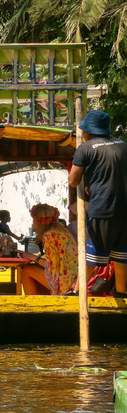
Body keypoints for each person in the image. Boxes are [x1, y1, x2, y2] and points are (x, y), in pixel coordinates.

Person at [71, 109, 127, 297]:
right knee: (121, 254)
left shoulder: (85, 149)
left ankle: (78, 291)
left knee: (91, 255)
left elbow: (73, 181)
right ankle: (121, 292)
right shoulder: (123, 145)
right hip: (124, 209)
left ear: (88, 131)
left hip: (102, 207)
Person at [20, 203, 79, 295]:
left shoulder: (50, 235)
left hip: (64, 282)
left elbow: (52, 267)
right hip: (72, 276)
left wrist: (32, 257)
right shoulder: (62, 230)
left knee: (27, 270)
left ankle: (31, 306)